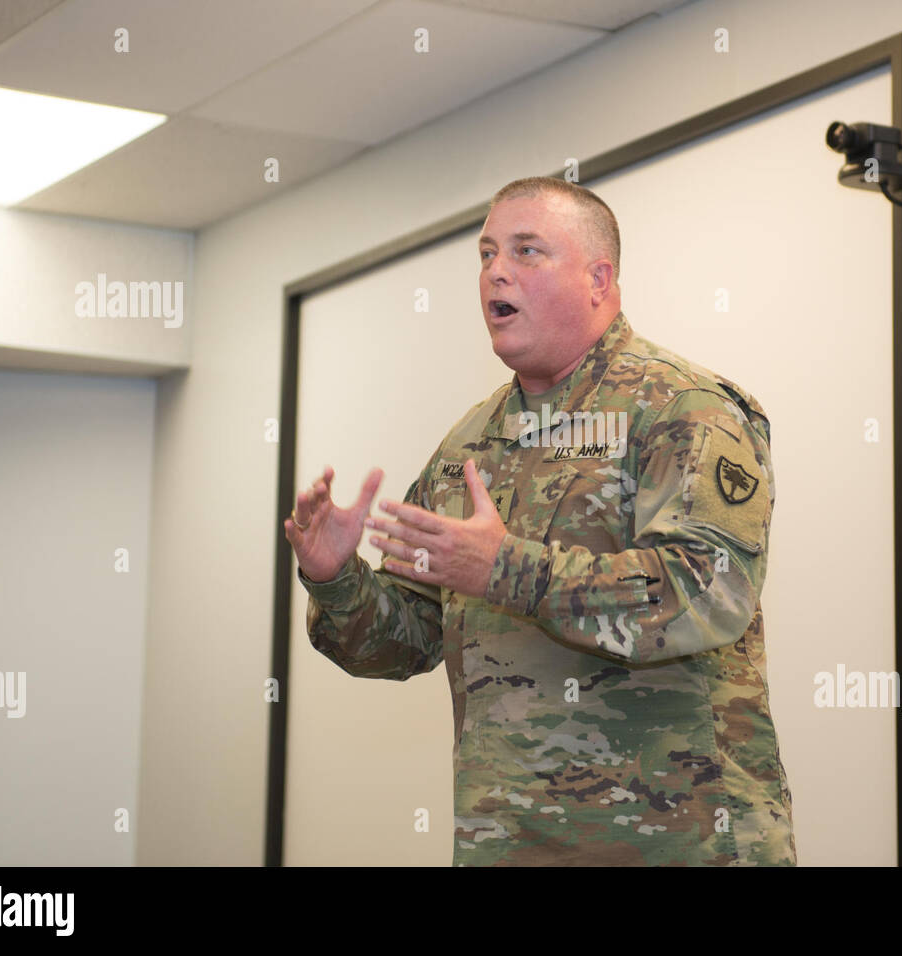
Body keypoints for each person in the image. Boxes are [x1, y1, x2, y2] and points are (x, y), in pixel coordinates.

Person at [284, 177, 797, 866]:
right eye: (487, 253)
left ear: (598, 277)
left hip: (679, 841)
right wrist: (336, 579)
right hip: (508, 844)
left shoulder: (684, 407)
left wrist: (508, 570)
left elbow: (703, 593)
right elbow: (407, 640)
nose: (496, 270)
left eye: (527, 251)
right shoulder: (469, 445)